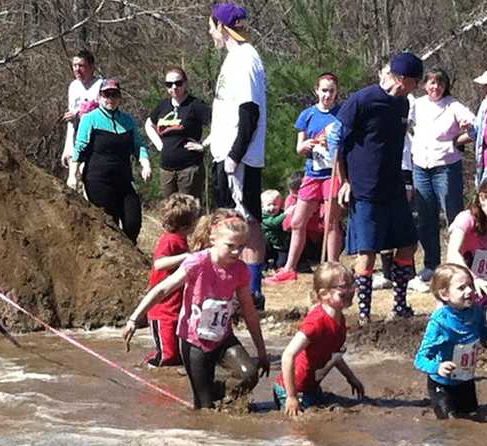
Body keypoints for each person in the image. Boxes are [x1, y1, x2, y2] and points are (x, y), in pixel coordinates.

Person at [123, 210, 269, 409]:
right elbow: (162, 288)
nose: (236, 252)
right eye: (230, 246)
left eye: (241, 247)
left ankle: (220, 392)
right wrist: (134, 318)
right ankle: (210, 399)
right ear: (213, 239)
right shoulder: (197, 262)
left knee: (249, 374)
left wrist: (262, 352)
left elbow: (249, 312)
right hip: (194, 341)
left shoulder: (240, 270)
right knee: (203, 408)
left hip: (222, 337)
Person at [331, 52, 424, 324]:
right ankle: (364, 314)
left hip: (393, 186)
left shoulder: (403, 104)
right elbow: (338, 141)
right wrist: (343, 181)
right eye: (415, 82)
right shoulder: (363, 100)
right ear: (403, 79)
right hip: (364, 186)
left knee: (407, 244)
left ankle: (400, 305)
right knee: (367, 251)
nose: (416, 87)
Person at [207, 2, 268, 308]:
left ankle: (253, 292)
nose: (210, 33)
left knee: (246, 220)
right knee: (232, 219)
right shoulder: (233, 59)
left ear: (221, 26)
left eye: (211, 26)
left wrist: (234, 155)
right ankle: (238, 289)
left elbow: (249, 112)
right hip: (226, 150)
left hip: (240, 157)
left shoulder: (245, 59)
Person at [268, 73, 343, 284]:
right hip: (312, 173)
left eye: (331, 90)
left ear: (337, 91)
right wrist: (307, 145)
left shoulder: (342, 114)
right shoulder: (307, 115)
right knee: (298, 221)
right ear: (316, 90)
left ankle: (333, 267)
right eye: (324, 90)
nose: (327, 95)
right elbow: (298, 147)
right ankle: (289, 267)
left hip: (332, 173)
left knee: (331, 221)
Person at [406, 67, 475, 293]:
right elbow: (403, 124)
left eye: (439, 83)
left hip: (446, 167)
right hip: (421, 166)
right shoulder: (416, 104)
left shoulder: (453, 105)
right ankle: (431, 265)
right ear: (425, 85)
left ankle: (458, 264)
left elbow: (474, 127)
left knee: (453, 216)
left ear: (445, 86)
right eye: (431, 83)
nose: (435, 87)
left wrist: (458, 139)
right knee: (426, 217)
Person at [67, 78, 151, 243]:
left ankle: (131, 255)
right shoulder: (90, 119)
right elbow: (79, 148)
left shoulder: (128, 121)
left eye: (114, 95)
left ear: (119, 98)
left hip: (123, 178)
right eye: (106, 95)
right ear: (99, 97)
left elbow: (139, 145)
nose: (110, 99)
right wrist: (72, 174)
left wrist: (145, 163)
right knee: (110, 223)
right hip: (98, 179)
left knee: (133, 222)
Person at [275, 262, 365, 415]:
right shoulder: (316, 322)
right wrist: (291, 396)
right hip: (290, 389)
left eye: (351, 285)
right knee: (302, 427)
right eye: (343, 287)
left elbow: (334, 355)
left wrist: (351, 378)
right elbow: (287, 356)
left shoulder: (340, 319)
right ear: (324, 294)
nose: (350, 291)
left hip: (311, 388)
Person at [415, 264, 487, 420]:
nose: (469, 291)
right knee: (449, 424)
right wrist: (437, 367)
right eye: (461, 288)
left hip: (466, 380)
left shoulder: (476, 311)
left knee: (472, 417)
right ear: (445, 294)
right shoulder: (439, 322)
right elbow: (420, 359)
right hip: (442, 384)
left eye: (471, 285)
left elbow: (480, 335)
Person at [144, 193, 200, 367]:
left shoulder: (181, 239)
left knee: (178, 355)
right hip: (162, 310)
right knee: (166, 356)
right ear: (187, 224)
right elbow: (159, 264)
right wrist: (186, 257)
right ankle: (151, 374)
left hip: (175, 308)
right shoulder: (169, 240)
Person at [145, 66, 211, 202]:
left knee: (188, 212)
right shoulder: (163, 105)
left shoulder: (195, 105)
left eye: (178, 83)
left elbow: (219, 125)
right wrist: (159, 144)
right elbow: (149, 124)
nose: (174, 87)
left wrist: (203, 145)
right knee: (170, 213)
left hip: (189, 169)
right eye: (169, 84)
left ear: (185, 83)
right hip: (167, 169)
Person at [61, 49, 102, 170]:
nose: (77, 69)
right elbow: (71, 121)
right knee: (73, 182)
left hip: (95, 142)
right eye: (74, 65)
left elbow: (103, 115)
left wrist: (79, 115)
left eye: (81, 66)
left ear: (91, 67)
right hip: (76, 140)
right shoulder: (73, 86)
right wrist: (68, 147)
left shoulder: (101, 85)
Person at [260, 188, 289, 271]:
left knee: (281, 263)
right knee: (263, 250)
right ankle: (264, 265)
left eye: (275, 204)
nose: (272, 207)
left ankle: (277, 264)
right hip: (267, 245)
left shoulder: (281, 213)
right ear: (262, 206)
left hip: (280, 245)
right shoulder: (263, 216)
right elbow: (273, 223)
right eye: (269, 205)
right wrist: (285, 214)